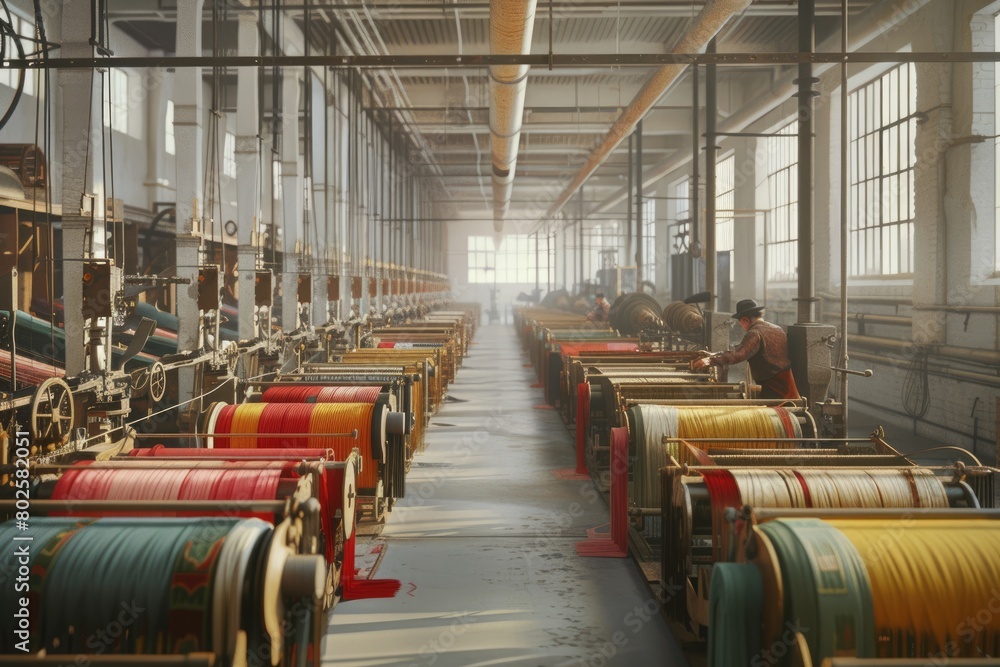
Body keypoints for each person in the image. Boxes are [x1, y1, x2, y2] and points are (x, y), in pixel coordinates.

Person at [691, 299, 801, 400]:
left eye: (741, 323)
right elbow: (739, 349)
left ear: (745, 320)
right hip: (788, 386)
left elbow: (737, 355)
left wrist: (709, 361)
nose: (742, 326)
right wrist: (713, 354)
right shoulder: (777, 329)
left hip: (775, 389)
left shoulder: (755, 333)